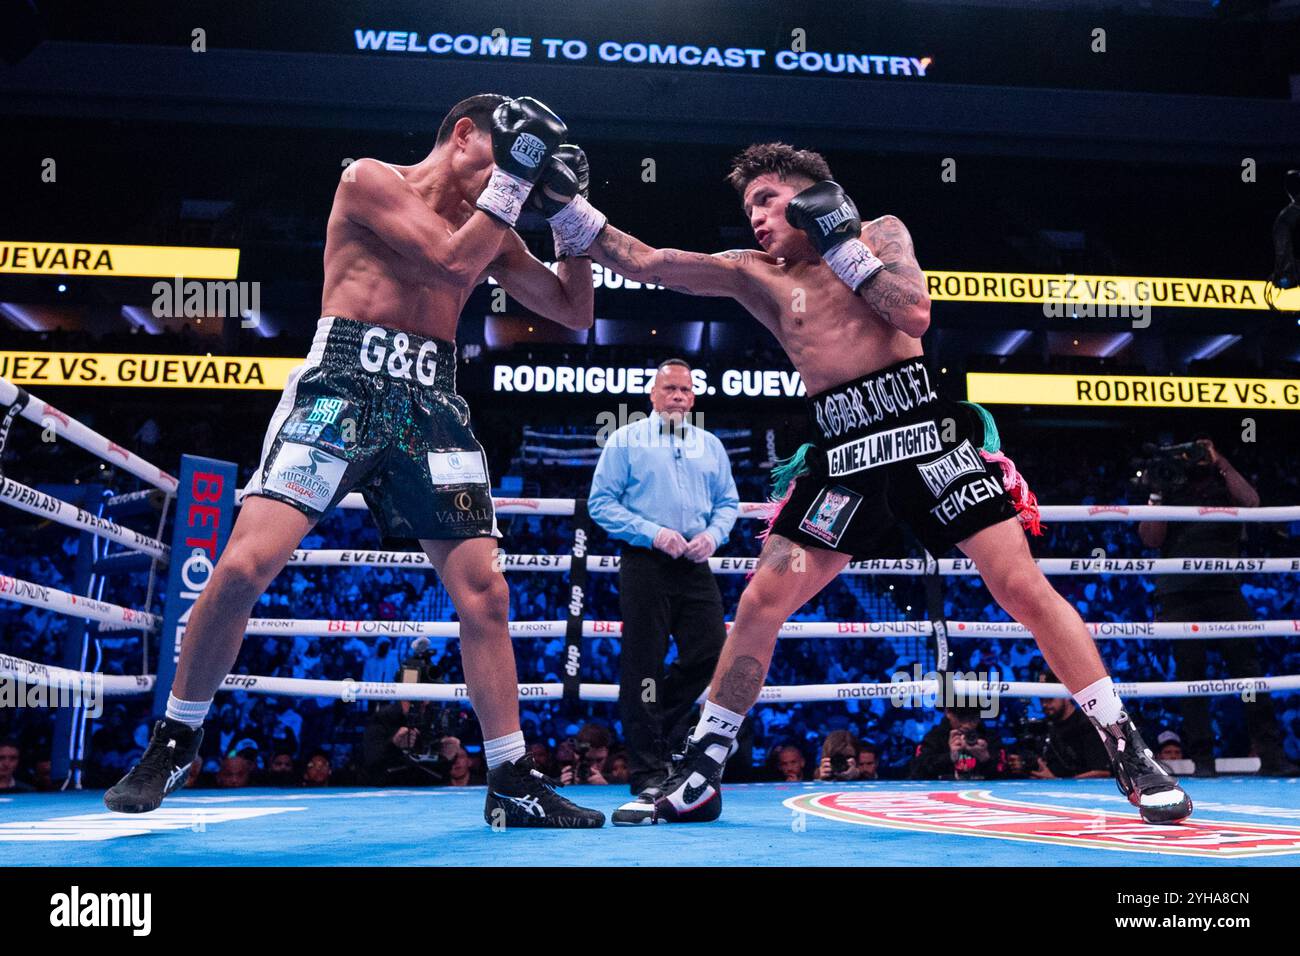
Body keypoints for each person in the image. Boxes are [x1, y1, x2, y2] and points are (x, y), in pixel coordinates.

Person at [572, 142, 1188, 825]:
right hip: (844, 454)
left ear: (813, 196)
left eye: (768, 200)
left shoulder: (880, 234)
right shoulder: (756, 274)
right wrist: (563, 205)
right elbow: (652, 263)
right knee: (760, 600)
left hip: (926, 434)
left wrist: (842, 244)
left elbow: (913, 314)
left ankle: (1128, 747)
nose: (756, 217)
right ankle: (703, 766)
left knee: (1021, 587)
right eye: (748, 206)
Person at [105, 93, 605, 828]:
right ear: (463, 134)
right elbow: (443, 258)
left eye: (520, 170)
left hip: (433, 404)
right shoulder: (371, 180)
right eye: (505, 159)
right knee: (244, 565)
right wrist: (515, 184)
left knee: (486, 593)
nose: (511, 182)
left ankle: (510, 779)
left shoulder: (491, 231)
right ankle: (177, 736)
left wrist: (569, 216)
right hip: (341, 386)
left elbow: (574, 311)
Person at [588, 357, 738, 795]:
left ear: (693, 397)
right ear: (653, 394)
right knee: (643, 665)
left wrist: (713, 535)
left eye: (685, 390)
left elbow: (728, 503)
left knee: (712, 652)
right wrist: (652, 533)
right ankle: (647, 771)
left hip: (695, 563)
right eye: (670, 388)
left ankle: (661, 734)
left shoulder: (710, 445)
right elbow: (601, 503)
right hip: (644, 563)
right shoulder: (626, 440)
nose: (677, 396)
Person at [1137, 437, 1297, 777]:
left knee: (1249, 674)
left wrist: (1218, 459)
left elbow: (1252, 503)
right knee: (1191, 678)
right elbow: (1151, 538)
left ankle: (1270, 755)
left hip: (1225, 589)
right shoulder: (1169, 488)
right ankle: (1203, 761)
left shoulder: (1224, 485)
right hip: (1179, 594)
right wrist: (1158, 490)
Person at [909, 708, 1003, 780]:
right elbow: (916, 774)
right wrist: (949, 757)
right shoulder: (934, 738)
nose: (967, 725)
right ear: (948, 713)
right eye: (961, 717)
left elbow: (1007, 778)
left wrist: (986, 759)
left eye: (972, 719)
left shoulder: (990, 738)